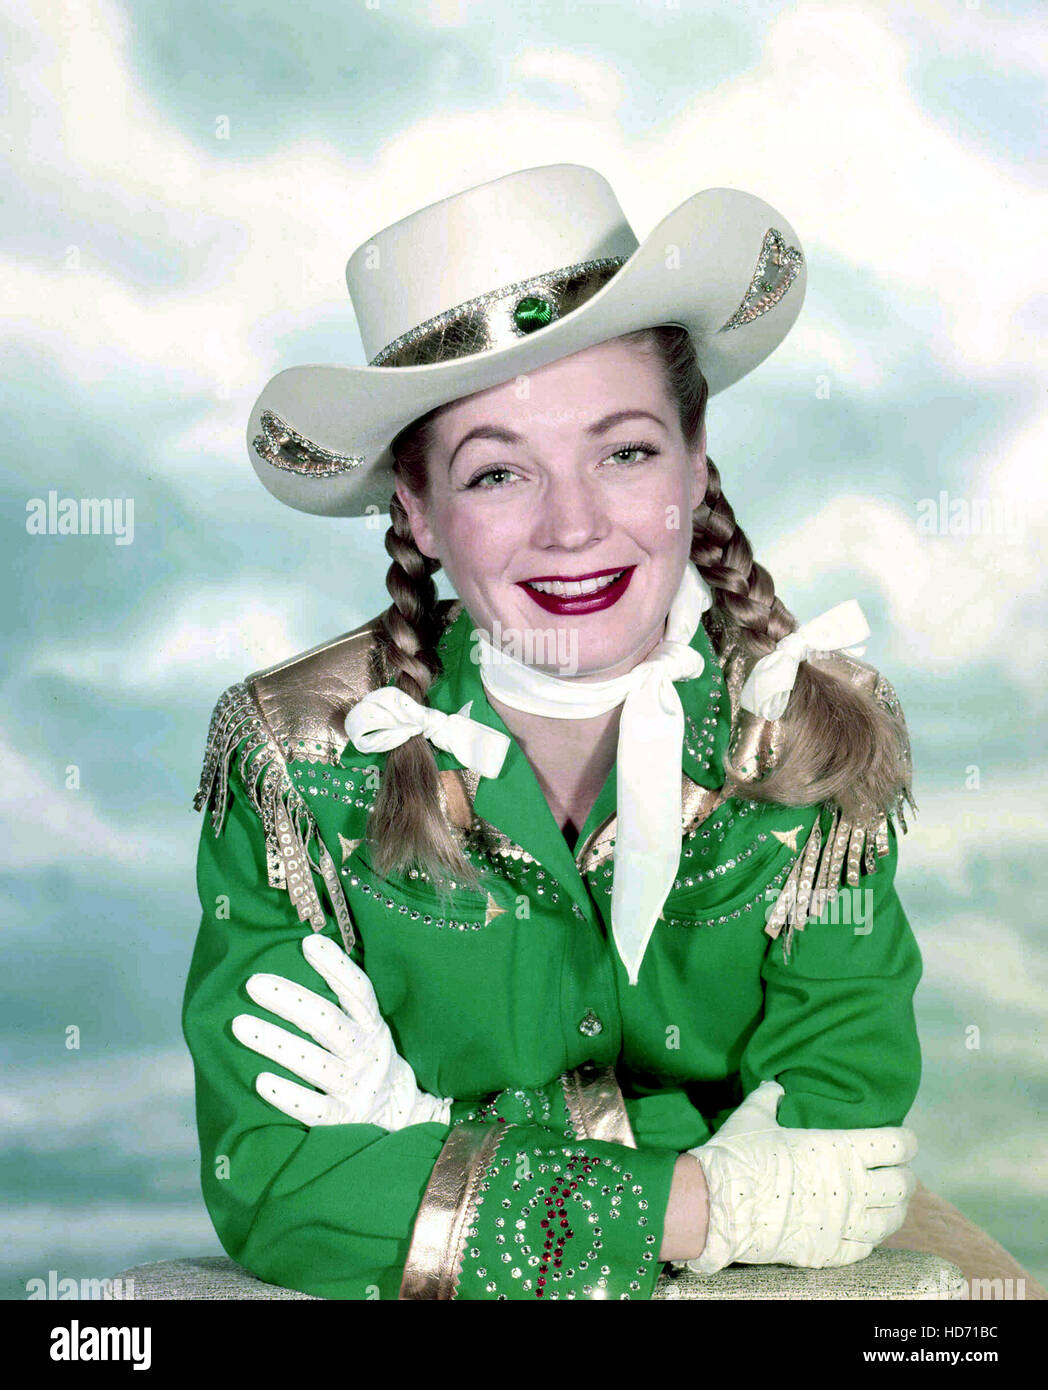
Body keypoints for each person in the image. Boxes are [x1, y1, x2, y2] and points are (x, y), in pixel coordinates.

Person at [183, 164, 922, 1301]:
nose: (574, 526)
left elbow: (841, 1150)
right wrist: (699, 1201)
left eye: (624, 450)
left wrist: (431, 1148)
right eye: (496, 473)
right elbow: (278, 1180)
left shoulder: (811, 734)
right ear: (418, 512)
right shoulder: (297, 759)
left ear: (693, 456)